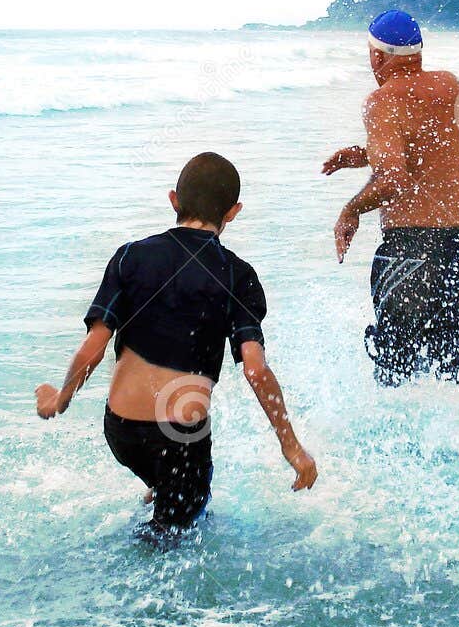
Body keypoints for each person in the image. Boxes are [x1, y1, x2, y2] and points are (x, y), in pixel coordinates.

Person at [35, 152, 317, 543]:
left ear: (173, 200)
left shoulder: (130, 256)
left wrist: (60, 399)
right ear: (233, 212)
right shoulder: (238, 276)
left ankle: (160, 493)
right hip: (180, 439)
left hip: (120, 431)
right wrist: (292, 446)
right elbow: (255, 370)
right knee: (177, 537)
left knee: (168, 497)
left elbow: (93, 347)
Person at [324, 9, 459, 396]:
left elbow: (395, 180)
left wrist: (351, 210)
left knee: (396, 379)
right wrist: (367, 154)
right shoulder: (450, 85)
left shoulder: (381, 101)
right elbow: (434, 146)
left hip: (413, 255)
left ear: (377, 56)